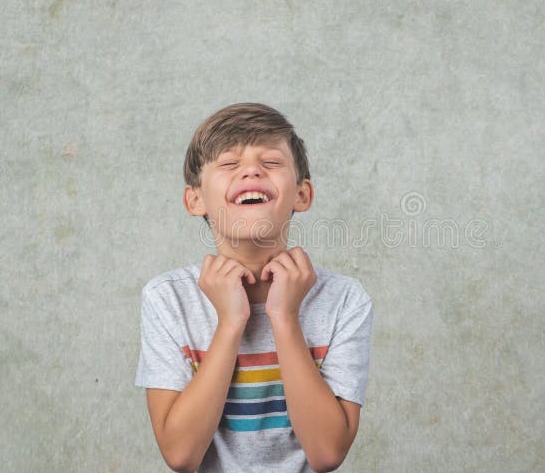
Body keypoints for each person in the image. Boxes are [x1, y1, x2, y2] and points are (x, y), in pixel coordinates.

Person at [134, 103, 373, 473]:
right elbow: (181, 455)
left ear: (302, 195)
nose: (251, 170)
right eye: (229, 163)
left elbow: (327, 454)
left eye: (271, 161)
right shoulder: (167, 298)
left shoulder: (345, 300)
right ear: (195, 199)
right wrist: (231, 323)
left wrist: (285, 317)